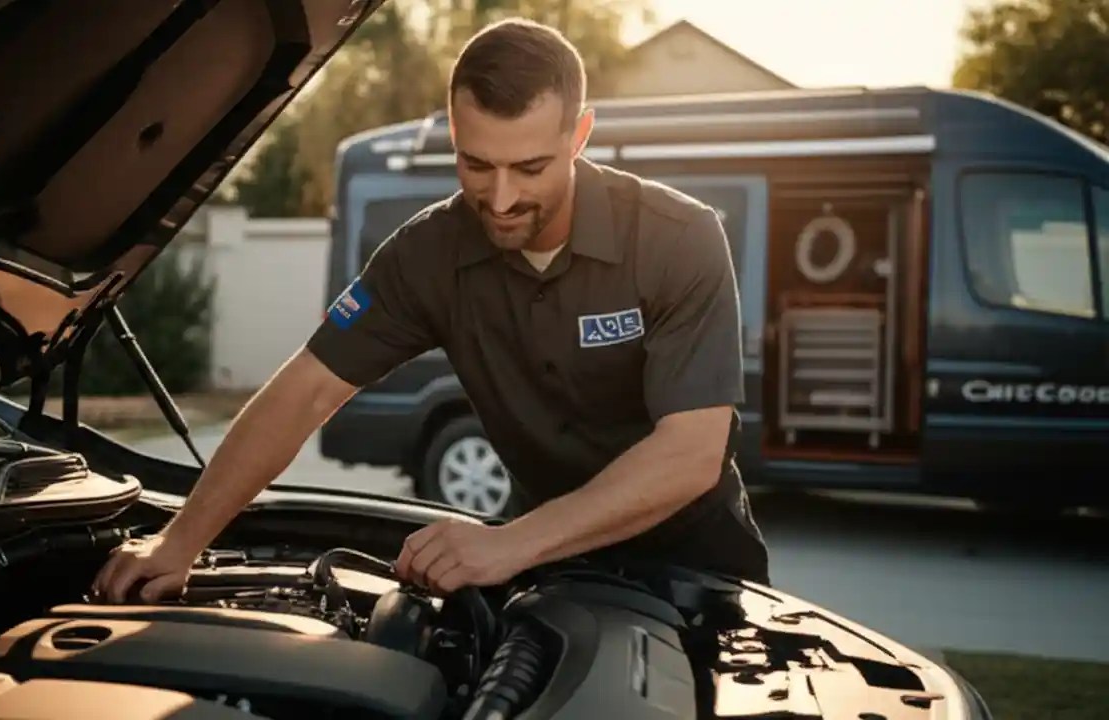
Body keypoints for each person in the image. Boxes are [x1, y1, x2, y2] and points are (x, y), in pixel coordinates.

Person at [91, 17, 769, 604]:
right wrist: (178, 542)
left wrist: (506, 543)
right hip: (554, 572)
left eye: (530, 169)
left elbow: (690, 454)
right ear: (452, 131)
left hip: (697, 571)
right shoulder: (425, 256)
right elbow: (306, 389)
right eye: (476, 165)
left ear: (580, 135)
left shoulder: (677, 238)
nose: (500, 199)